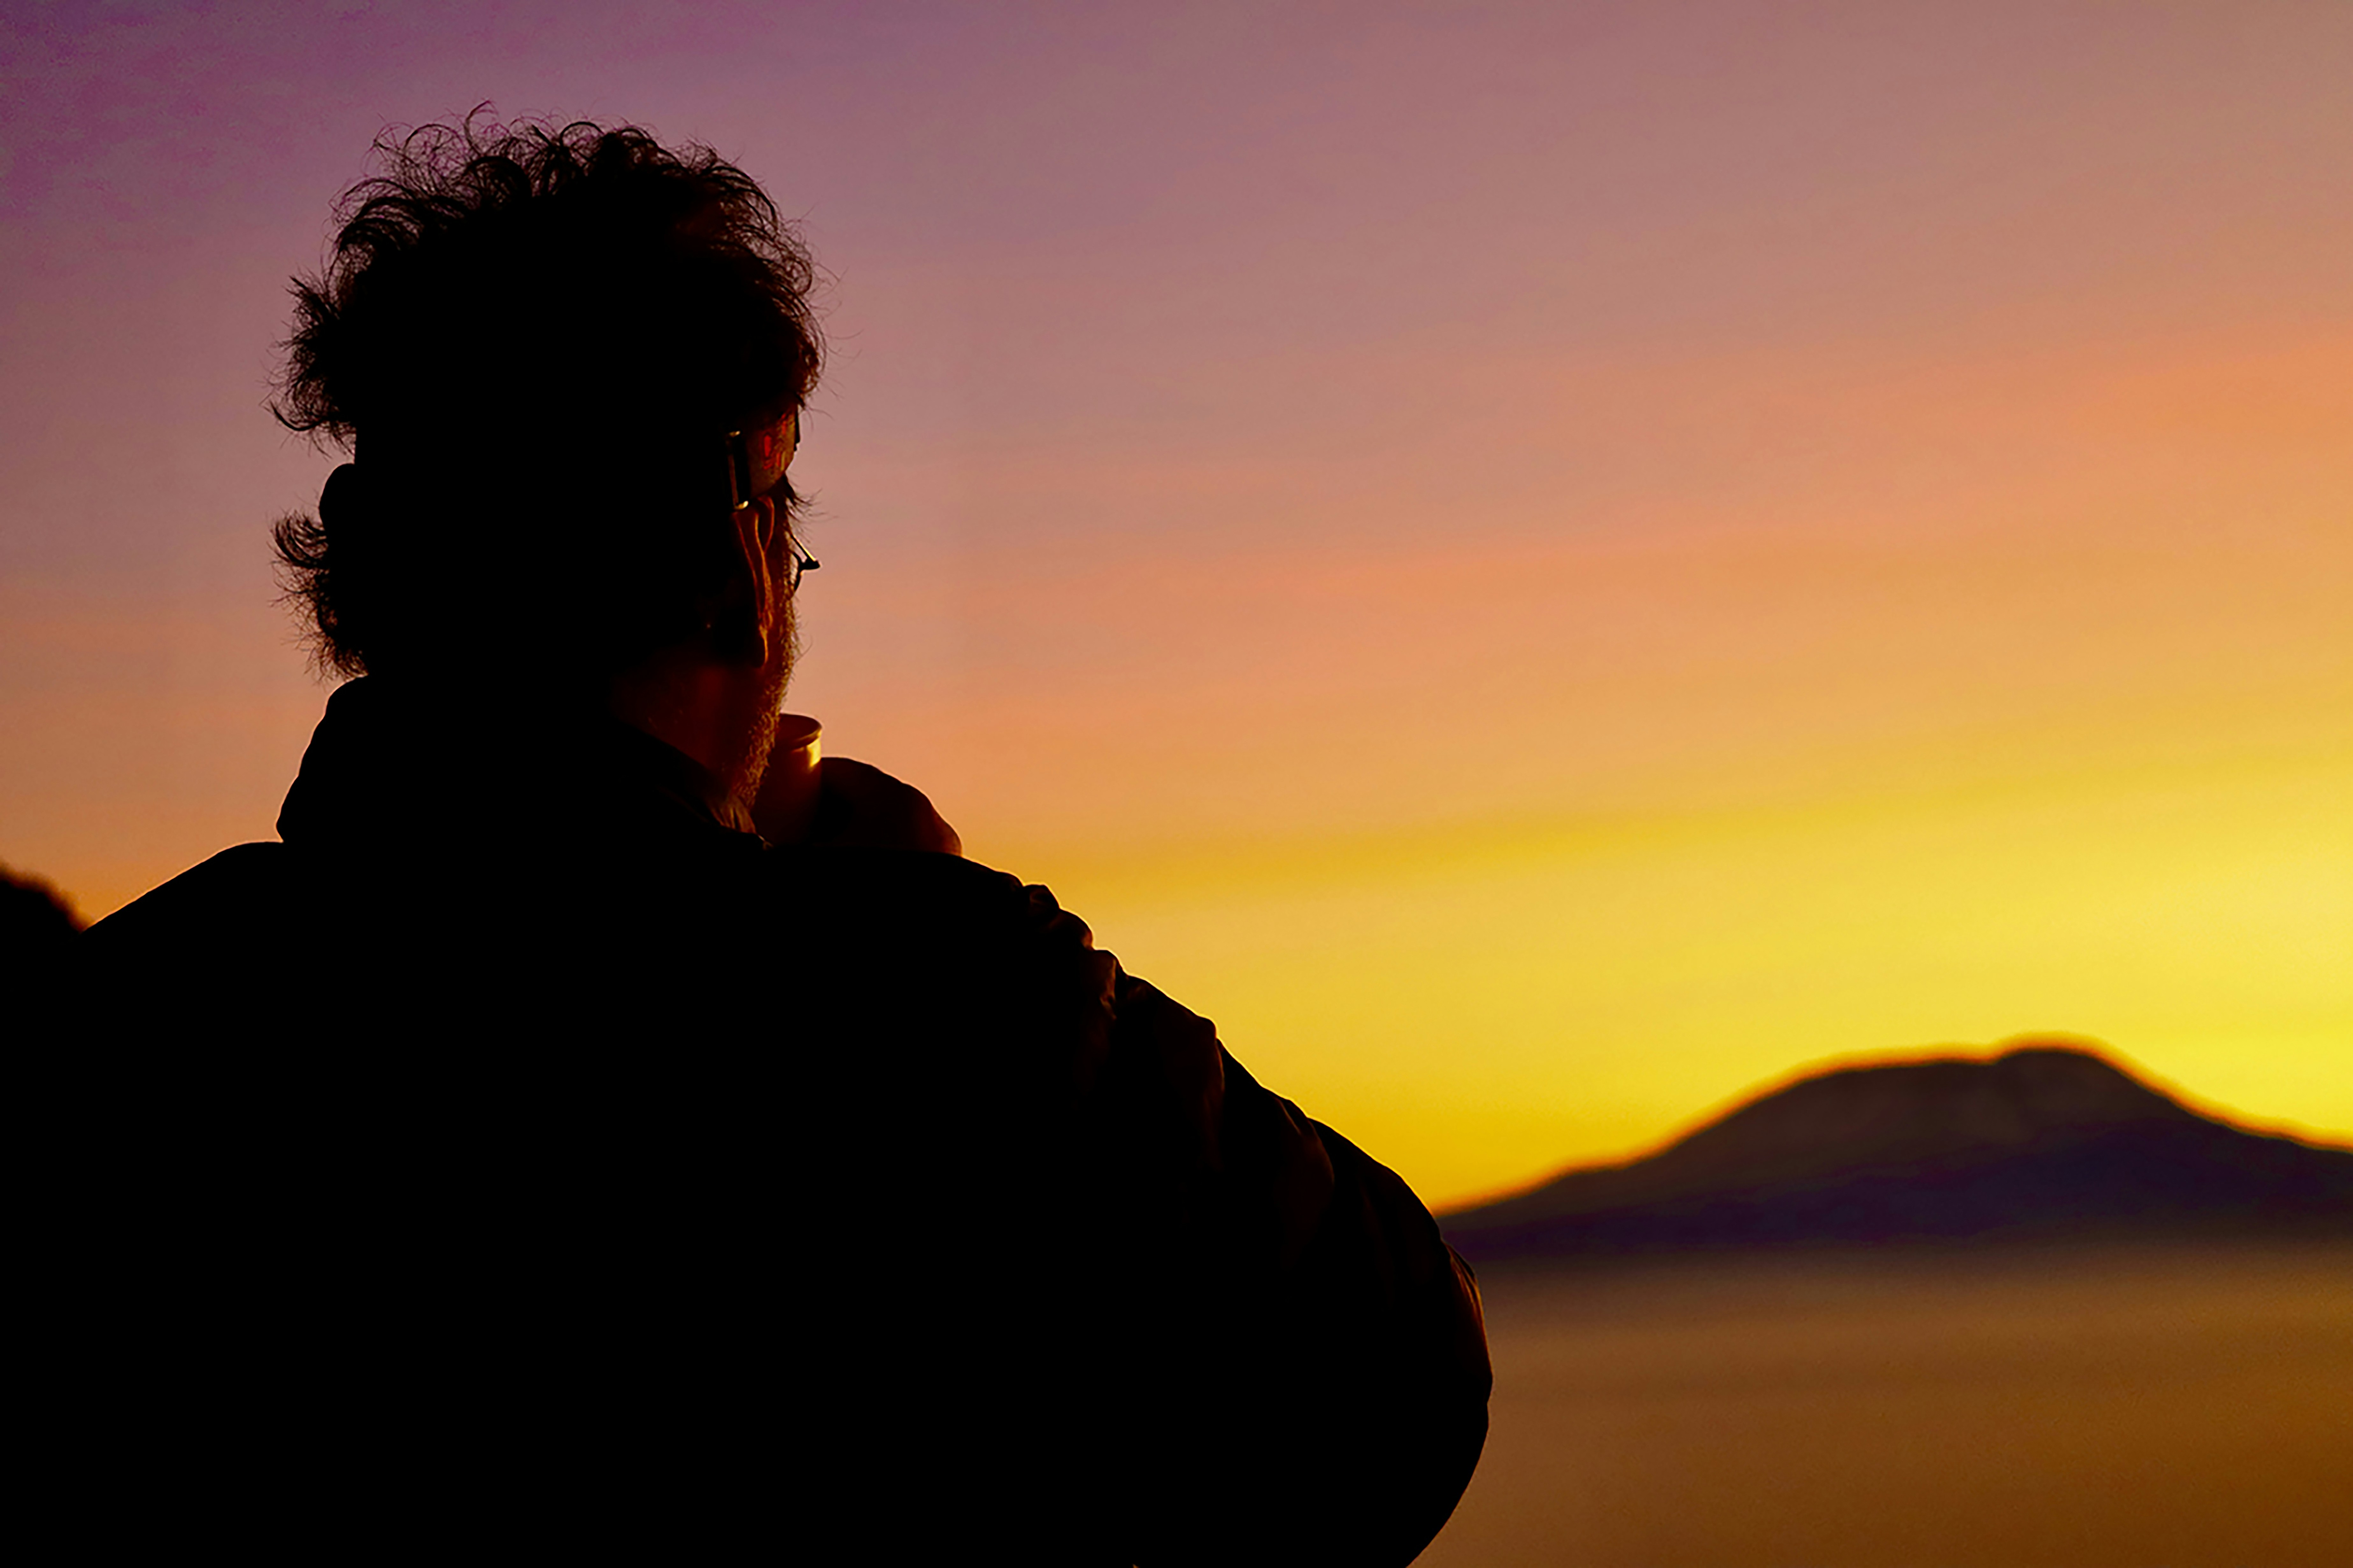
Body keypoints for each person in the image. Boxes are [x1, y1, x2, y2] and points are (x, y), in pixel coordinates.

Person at [51, 117, 1489, 1564]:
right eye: (782, 511)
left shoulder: (113, 1021)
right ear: (738, 553)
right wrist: (922, 919)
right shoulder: (935, 999)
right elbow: (1401, 1390)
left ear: (365, 557)